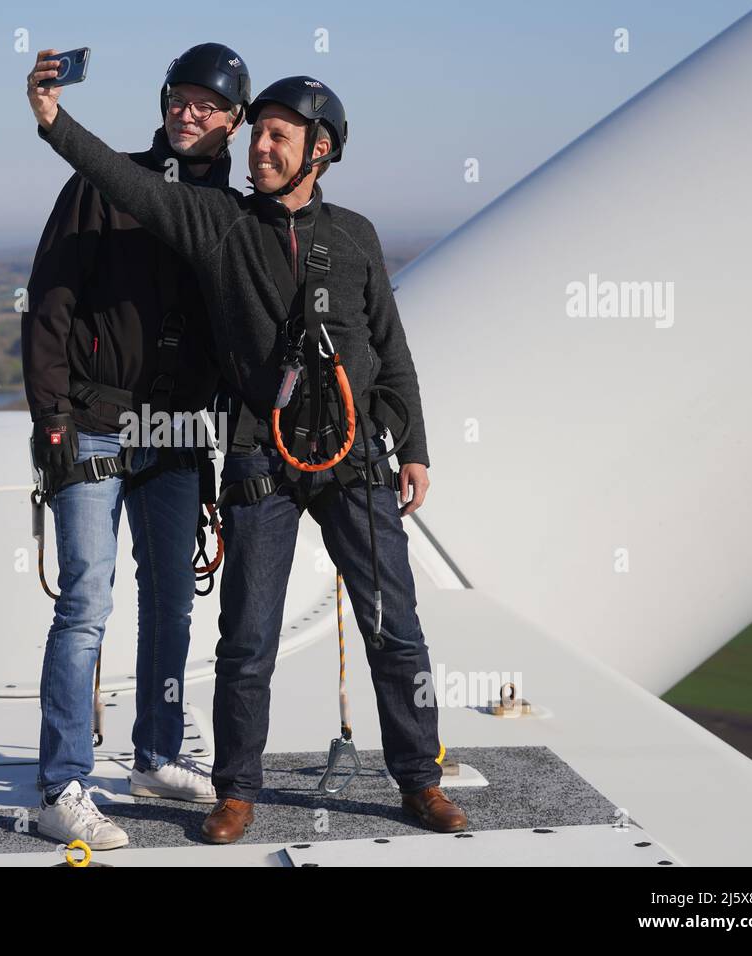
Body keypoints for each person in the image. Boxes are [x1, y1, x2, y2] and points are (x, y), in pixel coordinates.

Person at [26, 53, 469, 844]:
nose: (263, 147)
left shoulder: (355, 236)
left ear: (319, 149)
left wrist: (417, 448)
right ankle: (233, 791)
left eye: (277, 135)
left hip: (352, 458)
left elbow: (391, 350)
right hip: (251, 458)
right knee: (244, 636)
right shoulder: (222, 224)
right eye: (258, 132)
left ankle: (420, 780)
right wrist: (55, 121)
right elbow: (124, 185)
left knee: (393, 626)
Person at [24, 43, 252, 851]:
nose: (188, 112)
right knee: (86, 600)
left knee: (171, 602)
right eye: (177, 98)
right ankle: (61, 785)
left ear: (233, 121)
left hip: (181, 433)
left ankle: (155, 754)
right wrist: (49, 421)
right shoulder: (101, 183)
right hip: (92, 419)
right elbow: (47, 305)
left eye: (206, 103)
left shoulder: (237, 215)